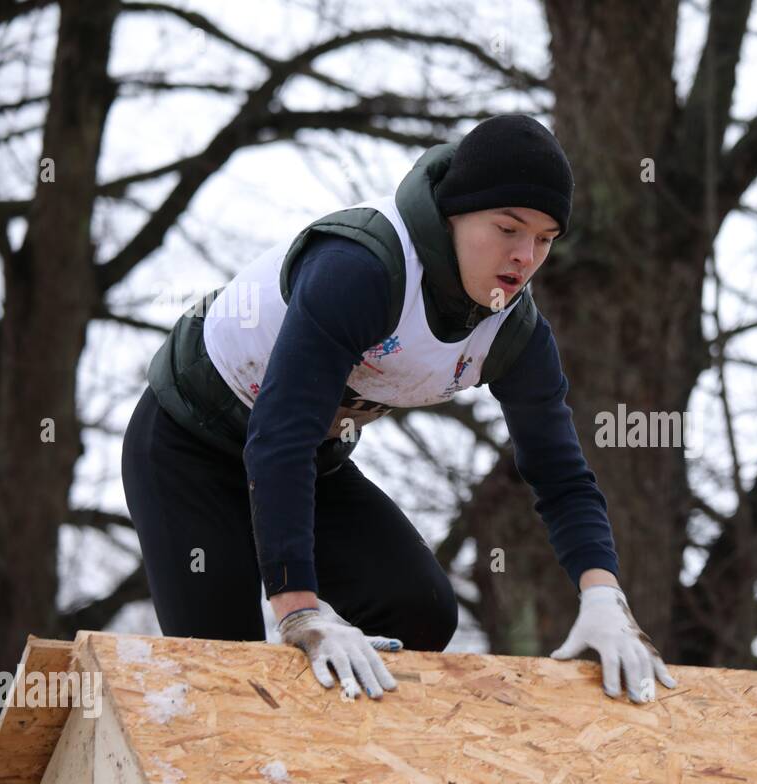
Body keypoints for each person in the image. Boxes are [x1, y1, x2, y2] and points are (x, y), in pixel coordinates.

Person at [123, 114, 675, 703]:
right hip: (190, 445)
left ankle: (333, 770)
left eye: (544, 239)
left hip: (309, 457)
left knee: (419, 611)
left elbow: (560, 472)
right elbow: (279, 434)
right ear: (456, 213)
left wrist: (602, 595)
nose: (524, 256)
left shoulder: (515, 335)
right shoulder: (362, 267)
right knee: (226, 676)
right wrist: (299, 609)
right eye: (508, 228)